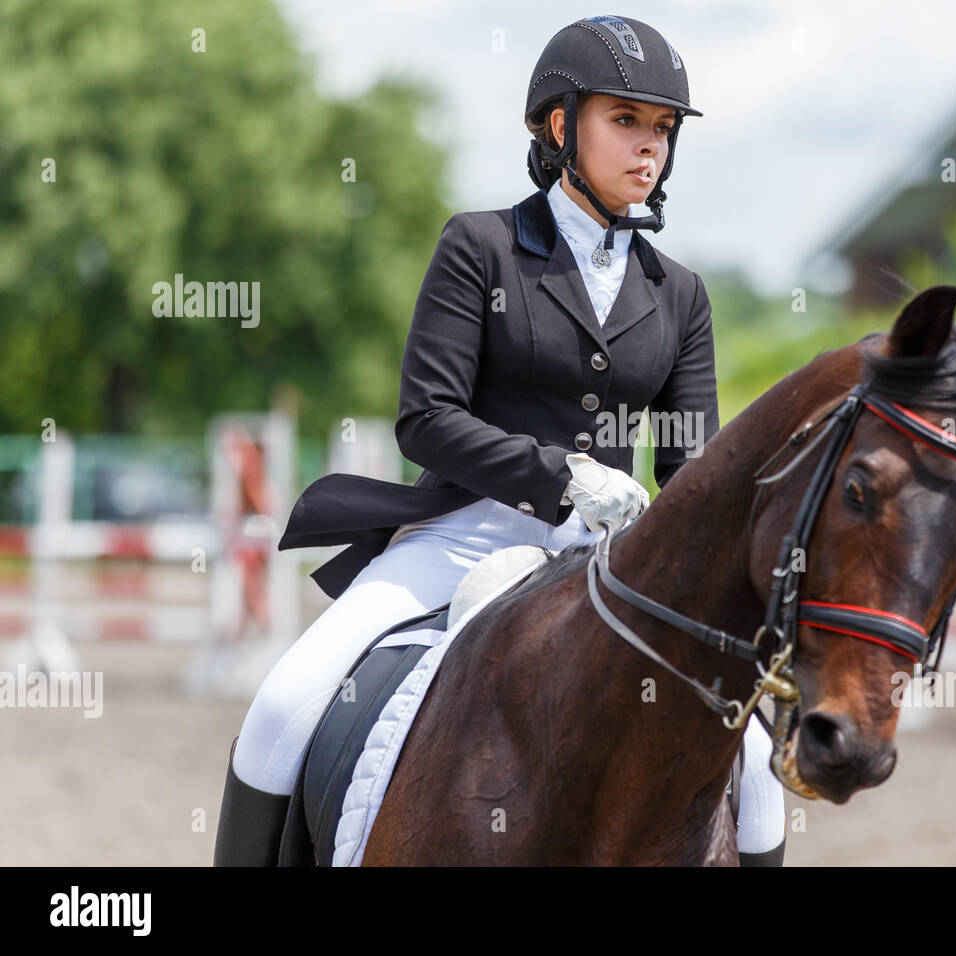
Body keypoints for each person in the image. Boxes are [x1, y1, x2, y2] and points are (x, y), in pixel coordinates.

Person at [213, 15, 786, 867]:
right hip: (462, 537)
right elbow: (427, 419)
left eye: (661, 129)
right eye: (625, 121)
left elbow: (689, 470)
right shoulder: (481, 247)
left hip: (607, 565)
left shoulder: (681, 296)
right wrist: (563, 476)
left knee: (760, 772)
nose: (650, 148)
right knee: (281, 705)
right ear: (560, 126)